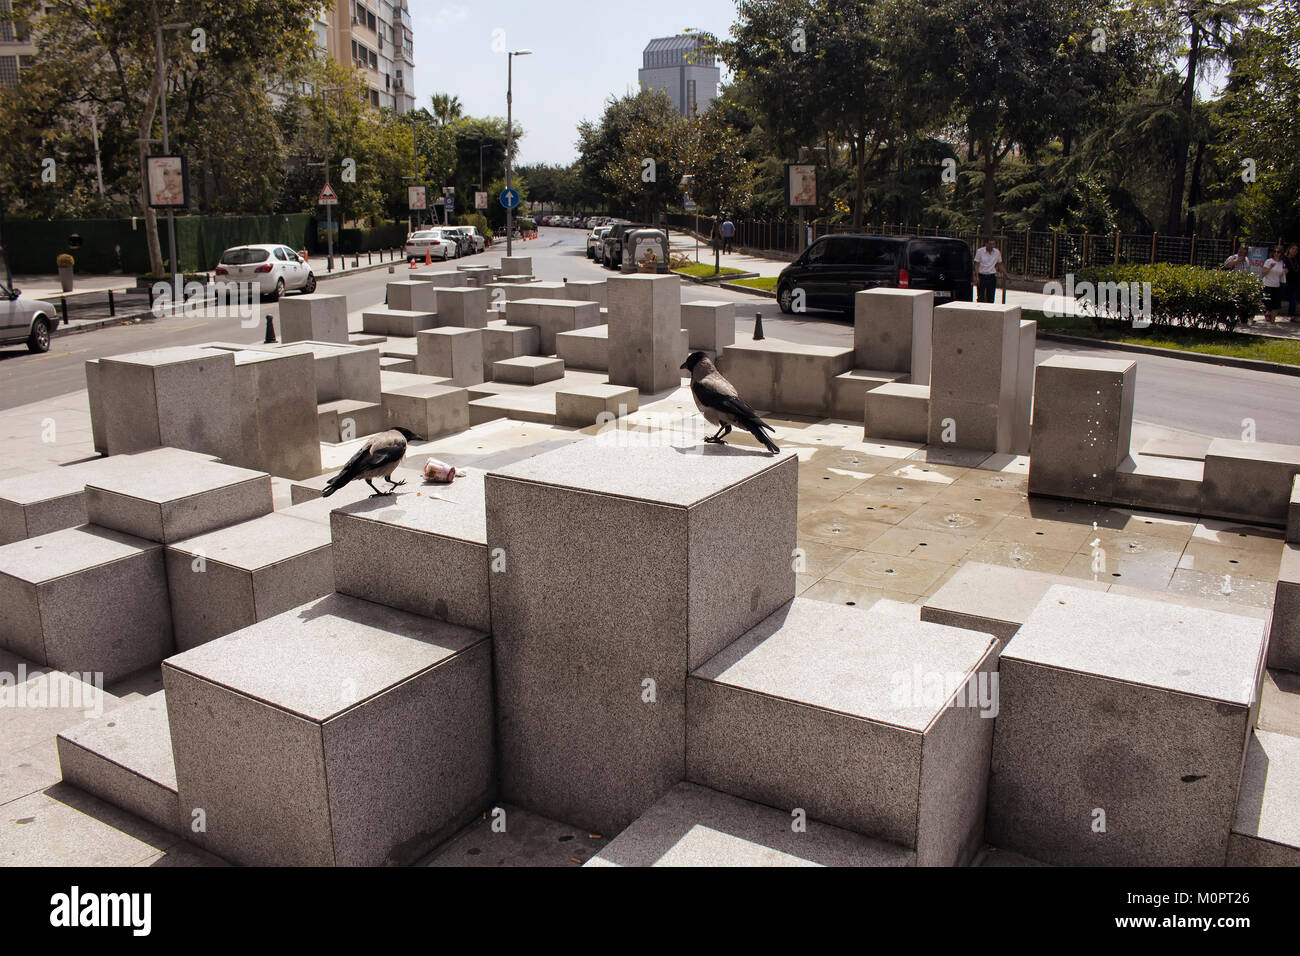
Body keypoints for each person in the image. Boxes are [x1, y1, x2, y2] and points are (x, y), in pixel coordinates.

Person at [972, 238, 1005, 303]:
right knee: (980, 296)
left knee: (991, 296)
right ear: (986, 244)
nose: (991, 246)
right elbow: (976, 264)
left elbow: (1000, 264)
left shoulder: (997, 252)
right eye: (990, 244)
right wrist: (977, 276)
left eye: (993, 244)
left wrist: (1006, 274)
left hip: (991, 276)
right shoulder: (980, 251)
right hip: (982, 276)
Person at [1262, 246, 1287, 324]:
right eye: (1275, 251)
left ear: (1281, 254)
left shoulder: (1282, 263)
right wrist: (1270, 267)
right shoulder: (1268, 261)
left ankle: (1273, 321)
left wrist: (1285, 272)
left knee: (1275, 305)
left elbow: (1282, 275)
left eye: (1278, 252)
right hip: (1267, 285)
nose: (1276, 253)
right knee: (1267, 304)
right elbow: (1263, 273)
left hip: (1276, 286)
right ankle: (1267, 314)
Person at [1284, 243, 1299, 318]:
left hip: (1296, 282)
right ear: (1289, 249)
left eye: (1296, 250)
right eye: (1293, 249)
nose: (1294, 251)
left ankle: (1291, 314)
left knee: (1293, 298)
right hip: (1287, 281)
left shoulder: (1297, 259)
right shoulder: (1285, 259)